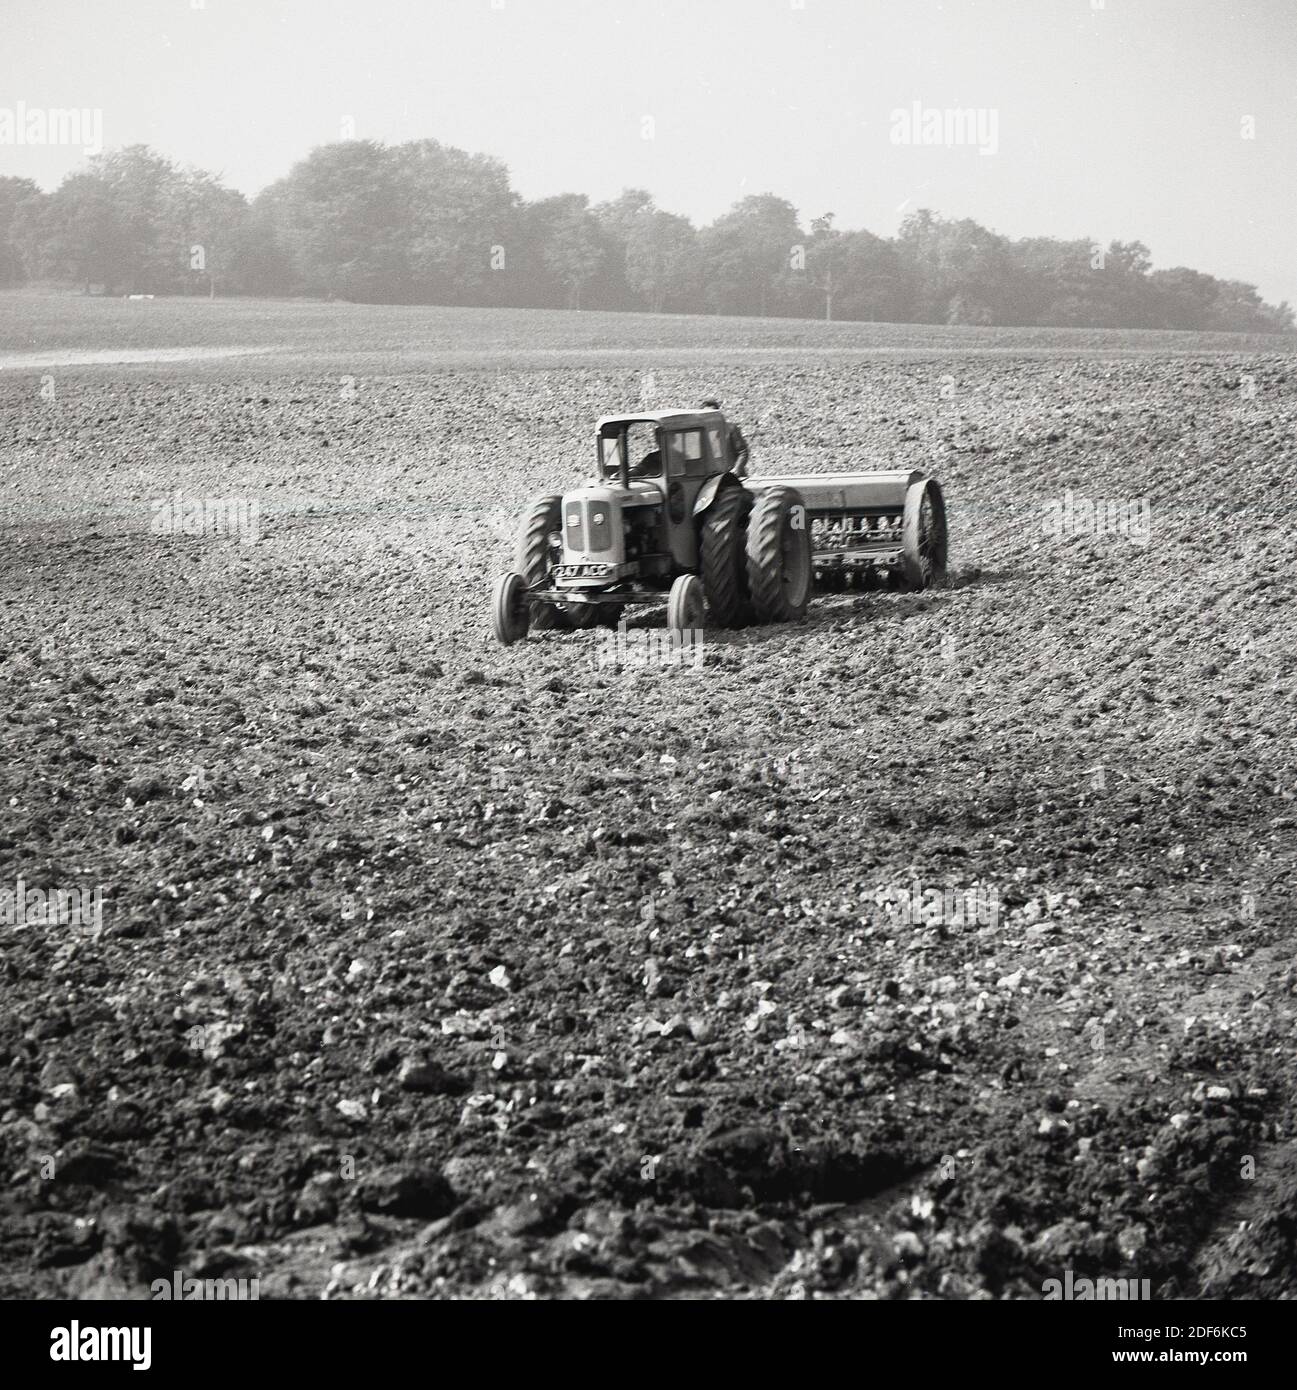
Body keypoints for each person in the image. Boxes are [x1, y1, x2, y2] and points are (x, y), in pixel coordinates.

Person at [700, 396, 750, 478]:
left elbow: (743, 452)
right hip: (712, 478)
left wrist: (736, 470)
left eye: (711, 414)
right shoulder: (700, 433)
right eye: (705, 415)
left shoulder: (730, 429)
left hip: (733, 478)